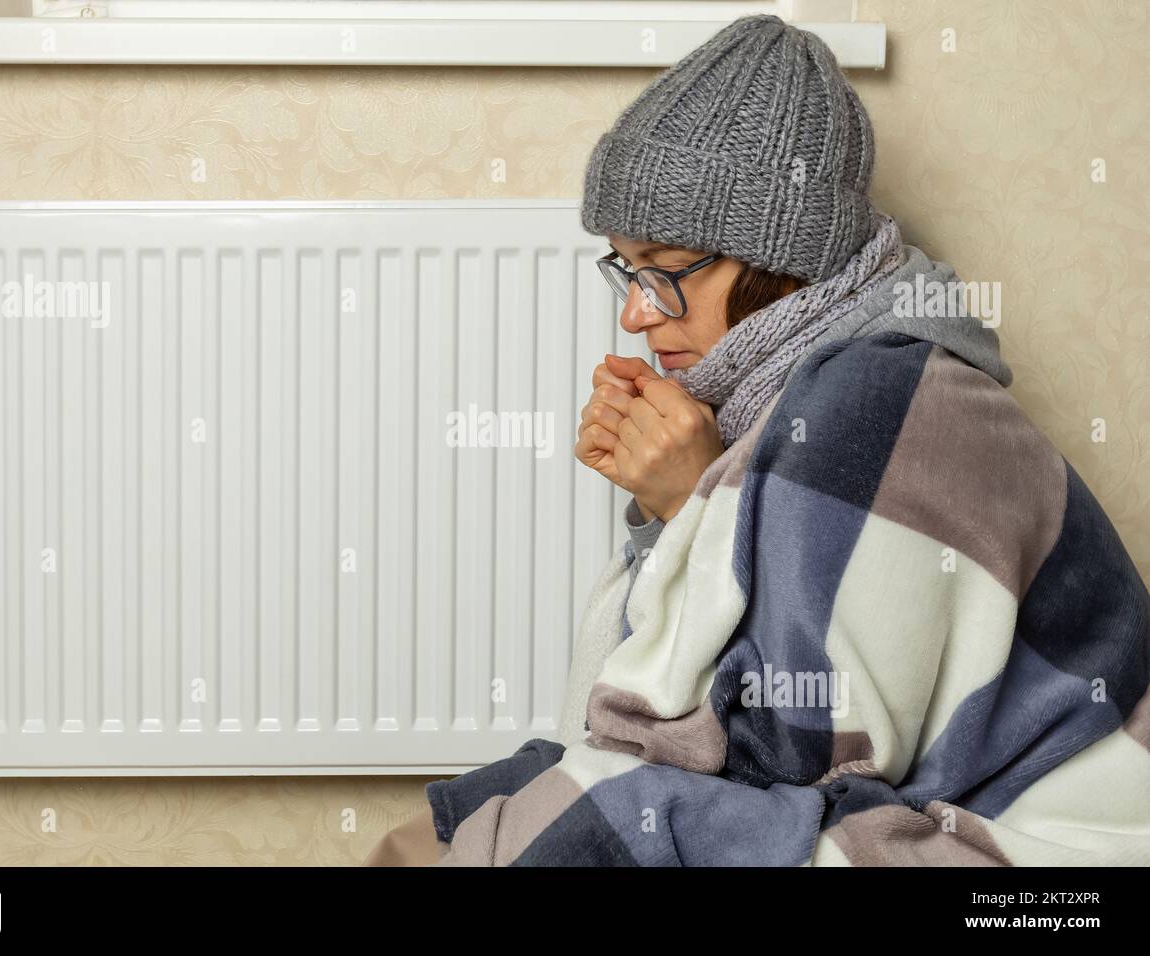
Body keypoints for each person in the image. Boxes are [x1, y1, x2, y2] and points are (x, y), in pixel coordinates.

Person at [363, 13, 1150, 867]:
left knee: (586, 818)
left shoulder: (878, 402)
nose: (636, 312)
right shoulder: (799, 395)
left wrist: (687, 506)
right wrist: (683, 509)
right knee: (481, 813)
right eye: (627, 271)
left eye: (666, 270)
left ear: (776, 256)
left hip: (1045, 867)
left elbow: (784, 755)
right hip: (932, 813)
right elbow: (633, 715)